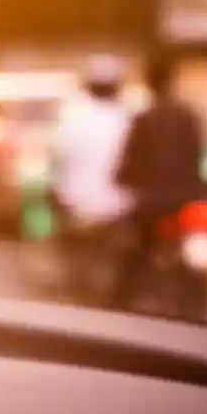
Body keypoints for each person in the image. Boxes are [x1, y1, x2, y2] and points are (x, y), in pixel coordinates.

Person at [111, 56, 207, 308]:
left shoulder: (144, 119)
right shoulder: (191, 116)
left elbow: (127, 164)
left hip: (152, 205)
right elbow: (201, 157)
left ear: (148, 82)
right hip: (193, 199)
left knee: (131, 258)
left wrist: (123, 179)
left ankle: (120, 305)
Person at [50, 56, 135, 295]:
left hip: (76, 203)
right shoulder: (128, 117)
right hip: (118, 207)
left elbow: (59, 157)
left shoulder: (73, 116)